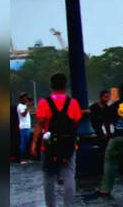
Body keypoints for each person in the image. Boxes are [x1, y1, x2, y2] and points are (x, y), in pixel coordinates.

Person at [30, 73, 82, 207]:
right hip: (68, 146)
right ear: (65, 86)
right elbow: (76, 123)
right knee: (69, 176)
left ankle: (51, 205)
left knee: (48, 177)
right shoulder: (73, 102)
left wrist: (34, 143)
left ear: (51, 85)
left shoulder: (43, 102)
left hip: (48, 146)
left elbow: (39, 125)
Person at [16, 93, 32, 164]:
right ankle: (22, 159)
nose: (26, 99)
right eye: (25, 98)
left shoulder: (24, 106)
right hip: (24, 127)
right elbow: (24, 114)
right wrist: (28, 106)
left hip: (27, 127)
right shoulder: (20, 106)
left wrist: (28, 105)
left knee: (26, 143)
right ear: (22, 99)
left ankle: (25, 158)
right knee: (23, 143)